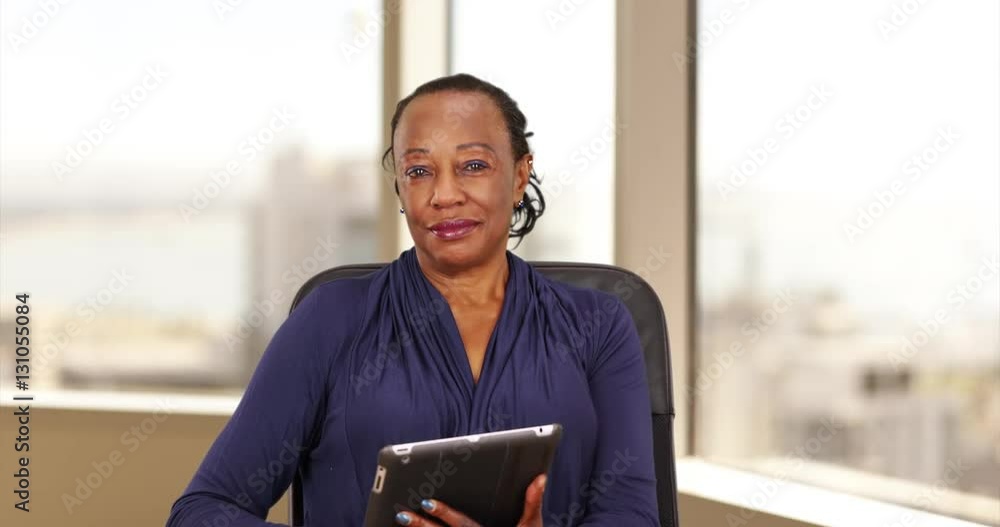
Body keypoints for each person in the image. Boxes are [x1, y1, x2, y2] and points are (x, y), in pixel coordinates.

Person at [166, 73, 659, 527]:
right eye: (419, 171)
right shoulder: (331, 320)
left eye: (472, 165)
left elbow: (632, 514)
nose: (444, 194)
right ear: (400, 186)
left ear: (519, 175)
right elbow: (202, 511)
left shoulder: (599, 325)